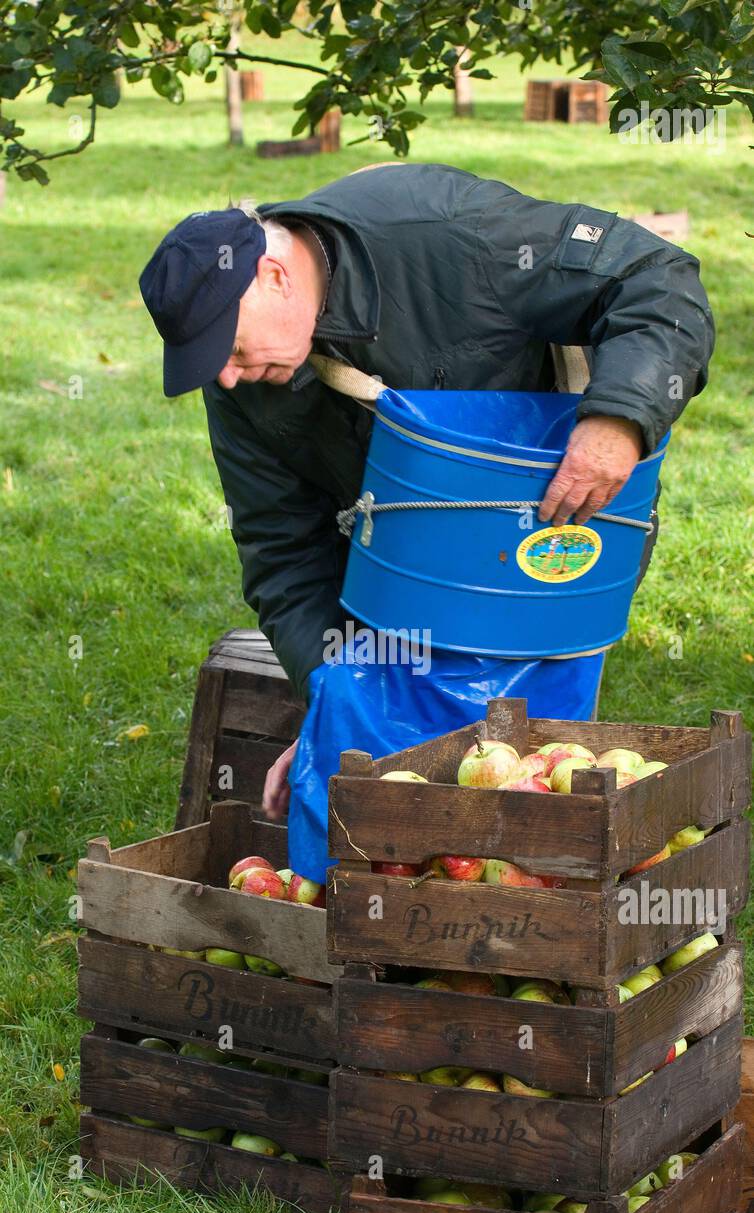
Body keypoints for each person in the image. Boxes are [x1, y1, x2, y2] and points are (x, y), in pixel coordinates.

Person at [140, 163, 714, 825]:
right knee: (412, 807)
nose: (228, 377)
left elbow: (657, 280)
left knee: (534, 788)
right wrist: (338, 700)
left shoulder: (455, 237)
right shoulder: (244, 379)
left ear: (273, 276)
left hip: (554, 532)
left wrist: (620, 419)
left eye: (232, 349)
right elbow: (281, 546)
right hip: (399, 574)